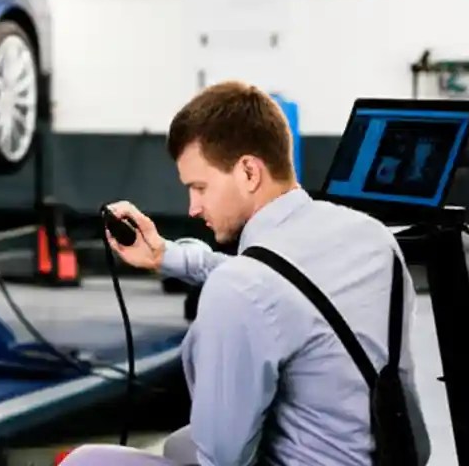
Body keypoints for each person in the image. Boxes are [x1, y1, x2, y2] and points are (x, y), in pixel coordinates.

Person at [59, 81, 431, 466]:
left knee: (84, 461)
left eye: (199, 187)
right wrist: (164, 255)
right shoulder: (374, 237)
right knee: (177, 446)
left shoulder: (241, 286)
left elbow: (222, 458)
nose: (192, 207)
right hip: (383, 455)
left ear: (249, 172)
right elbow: (282, 286)